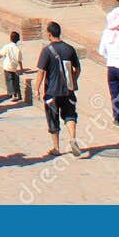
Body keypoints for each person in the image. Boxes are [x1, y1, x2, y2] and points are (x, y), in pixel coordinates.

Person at [35, 20, 84, 157]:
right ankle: (73, 138)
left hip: (52, 91)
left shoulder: (46, 51)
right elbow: (77, 68)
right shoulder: (69, 49)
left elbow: (41, 72)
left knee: (53, 118)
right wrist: (73, 80)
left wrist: (37, 89)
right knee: (70, 115)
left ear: (49, 34)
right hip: (68, 90)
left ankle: (56, 147)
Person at [0, 30, 26, 104]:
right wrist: (21, 68)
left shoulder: (7, 46)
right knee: (15, 81)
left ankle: (12, 94)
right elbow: (20, 60)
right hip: (14, 68)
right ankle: (17, 94)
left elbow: (1, 54)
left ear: (10, 38)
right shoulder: (17, 49)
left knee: (9, 81)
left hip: (7, 67)